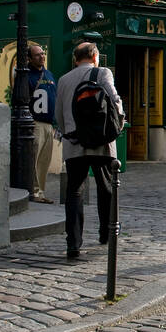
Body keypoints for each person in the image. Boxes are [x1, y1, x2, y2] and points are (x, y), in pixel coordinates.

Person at [55, 42, 124, 261]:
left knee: (74, 191)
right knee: (106, 187)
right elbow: (115, 101)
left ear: (75, 59)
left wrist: (69, 134)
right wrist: (118, 125)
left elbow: (58, 114)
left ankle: (73, 243)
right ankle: (106, 233)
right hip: (102, 142)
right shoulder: (103, 72)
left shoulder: (64, 79)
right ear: (95, 56)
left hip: (75, 142)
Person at [27, 44, 57, 203]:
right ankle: (34, 191)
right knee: (35, 159)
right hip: (36, 123)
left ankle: (41, 192)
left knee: (45, 160)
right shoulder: (26, 76)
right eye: (37, 55)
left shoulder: (49, 74)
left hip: (48, 124)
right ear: (30, 58)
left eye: (42, 54)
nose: (42, 57)